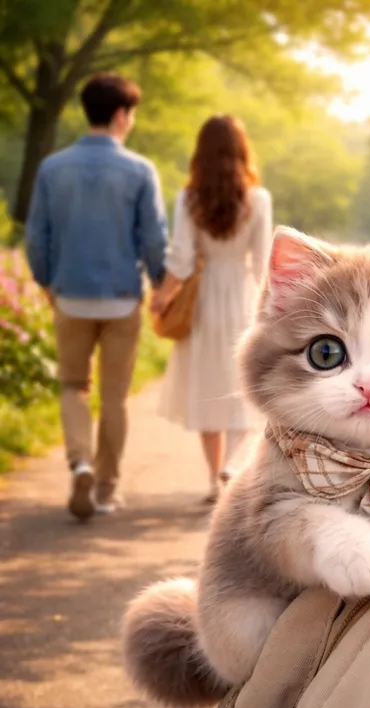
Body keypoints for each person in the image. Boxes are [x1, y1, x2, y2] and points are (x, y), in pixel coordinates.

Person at [25, 73, 168, 519]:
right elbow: (153, 239)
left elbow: (36, 236)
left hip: (69, 295)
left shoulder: (52, 168)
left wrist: (47, 282)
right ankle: (106, 490)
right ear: (122, 115)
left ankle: (80, 462)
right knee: (114, 397)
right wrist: (160, 283)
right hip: (123, 297)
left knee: (73, 385)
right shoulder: (140, 170)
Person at [153, 115, 273, 503]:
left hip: (204, 301)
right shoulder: (258, 199)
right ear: (242, 150)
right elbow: (263, 261)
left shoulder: (189, 199)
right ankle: (233, 470)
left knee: (208, 389)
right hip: (243, 295)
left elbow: (182, 258)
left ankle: (212, 479)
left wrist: (163, 296)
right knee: (242, 390)